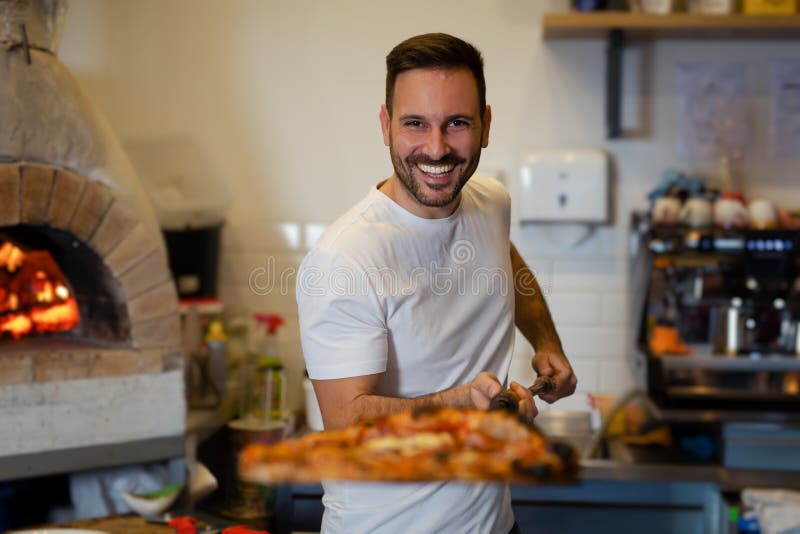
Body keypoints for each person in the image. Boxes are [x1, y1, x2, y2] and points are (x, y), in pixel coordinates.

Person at [296, 32, 576, 534]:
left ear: (485, 125)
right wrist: (459, 403)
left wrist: (546, 342)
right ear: (385, 126)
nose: (437, 147)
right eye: (415, 124)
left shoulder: (490, 204)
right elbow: (347, 423)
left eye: (457, 123)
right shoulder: (345, 258)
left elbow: (505, 261)